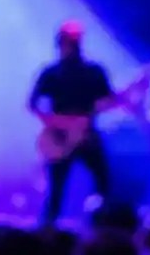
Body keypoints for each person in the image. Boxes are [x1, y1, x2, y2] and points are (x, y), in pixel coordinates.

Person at [29, 21, 116, 226]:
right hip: (59, 136)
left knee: (103, 182)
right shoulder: (51, 73)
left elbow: (108, 100)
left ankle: (104, 229)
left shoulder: (94, 71)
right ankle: (47, 233)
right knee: (57, 189)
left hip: (86, 134)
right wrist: (55, 121)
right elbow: (32, 103)